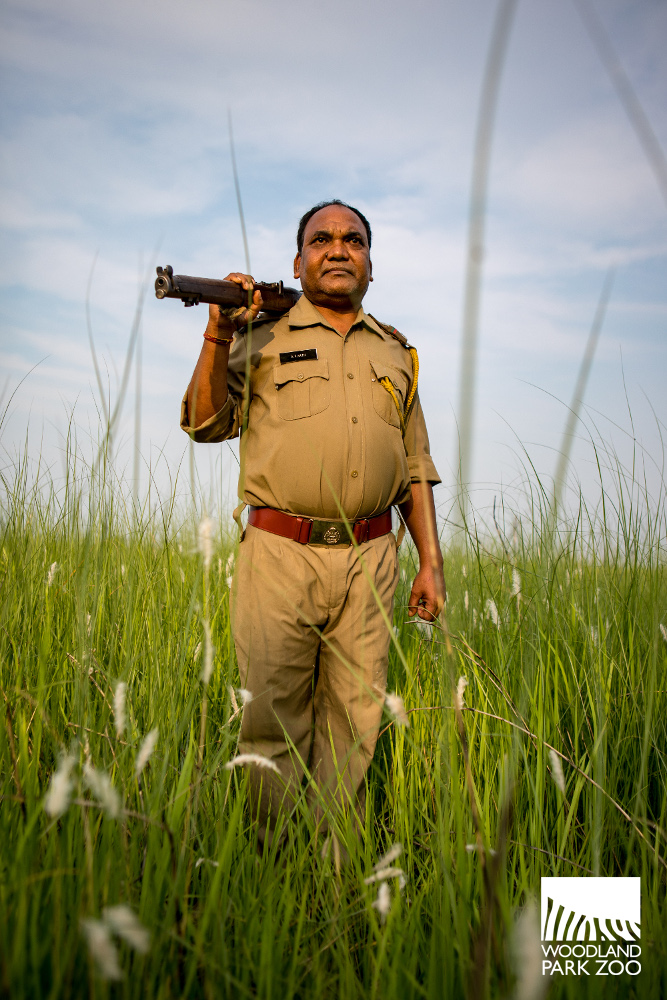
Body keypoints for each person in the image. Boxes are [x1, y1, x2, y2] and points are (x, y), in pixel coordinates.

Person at [181, 200, 445, 851]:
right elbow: (205, 424)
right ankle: (271, 869)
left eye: (352, 240)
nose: (337, 249)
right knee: (271, 721)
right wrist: (217, 334)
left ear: (370, 264)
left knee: (354, 723)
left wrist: (430, 563)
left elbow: (414, 465)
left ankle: (334, 876)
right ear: (298, 262)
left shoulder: (396, 352)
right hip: (279, 555)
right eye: (321, 240)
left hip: (372, 558)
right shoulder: (260, 334)